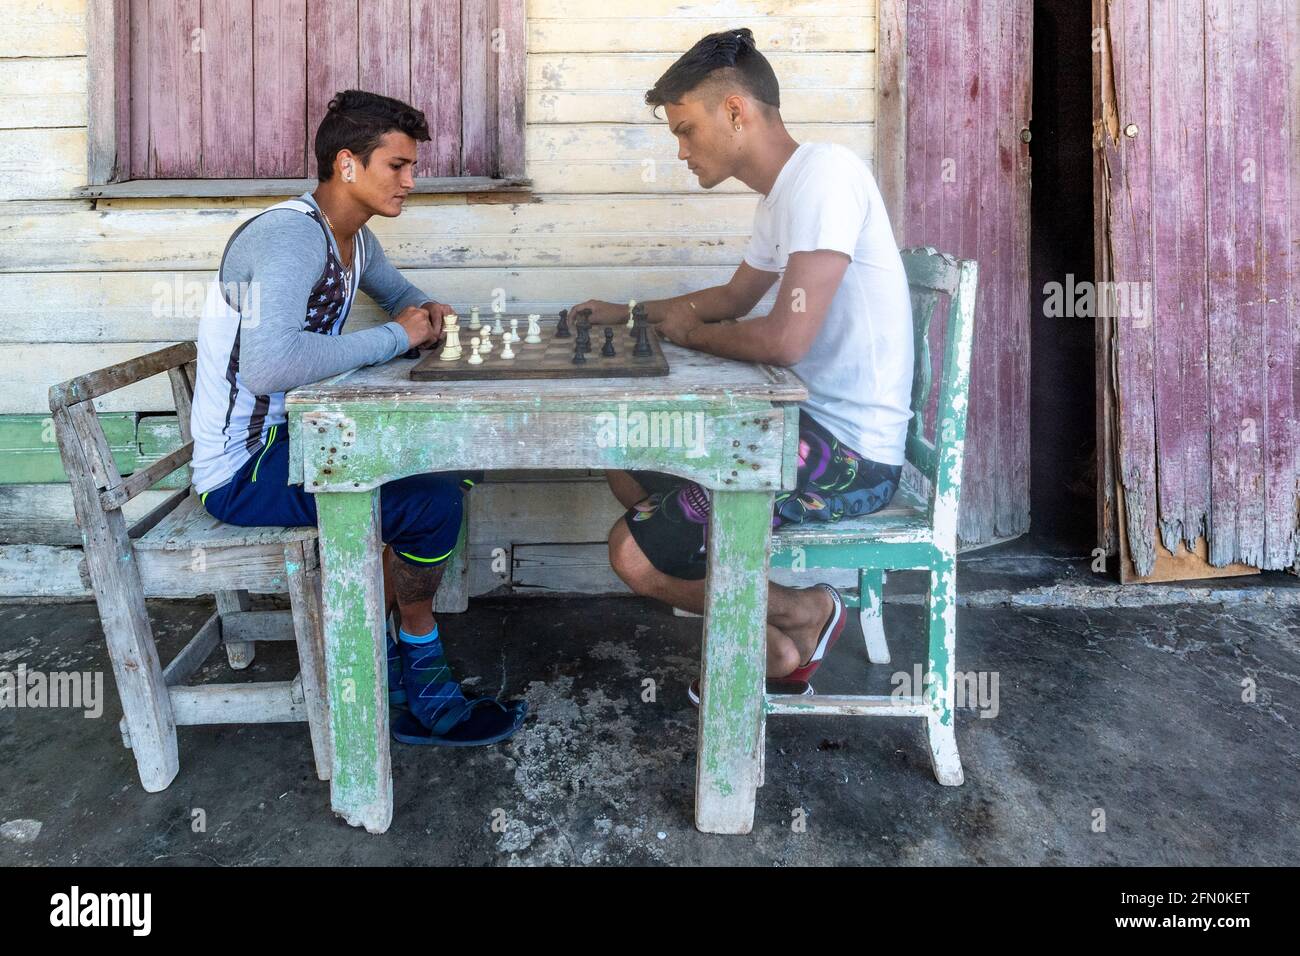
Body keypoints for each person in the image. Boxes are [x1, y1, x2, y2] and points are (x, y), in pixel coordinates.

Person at [569, 29, 915, 702]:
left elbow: (783, 339)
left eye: (686, 129)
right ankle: (780, 637)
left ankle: (800, 613)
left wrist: (693, 334)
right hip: (801, 426)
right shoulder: (781, 195)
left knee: (632, 552)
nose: (681, 149)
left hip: (851, 455)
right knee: (627, 454)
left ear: (736, 111)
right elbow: (732, 299)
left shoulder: (826, 176)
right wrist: (626, 312)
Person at [190, 89, 526, 746]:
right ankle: (420, 683)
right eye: (397, 165)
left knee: (450, 465)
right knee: (427, 503)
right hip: (243, 466)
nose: (411, 179)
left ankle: (393, 666)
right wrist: (400, 337)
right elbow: (269, 365)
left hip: (295, 439)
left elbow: (404, 299)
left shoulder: (353, 239)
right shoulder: (289, 237)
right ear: (347, 164)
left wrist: (433, 316)